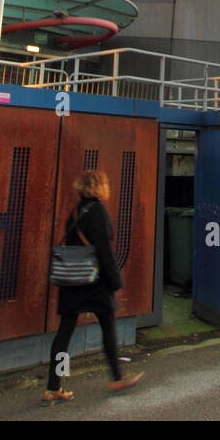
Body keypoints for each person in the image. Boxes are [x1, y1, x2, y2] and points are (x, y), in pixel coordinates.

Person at [44, 169, 143, 404]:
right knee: (108, 326)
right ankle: (118, 376)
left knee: (64, 334)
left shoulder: (76, 211)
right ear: (99, 187)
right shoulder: (97, 210)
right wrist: (115, 280)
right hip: (94, 281)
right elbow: (104, 251)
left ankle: (53, 387)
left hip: (72, 279)